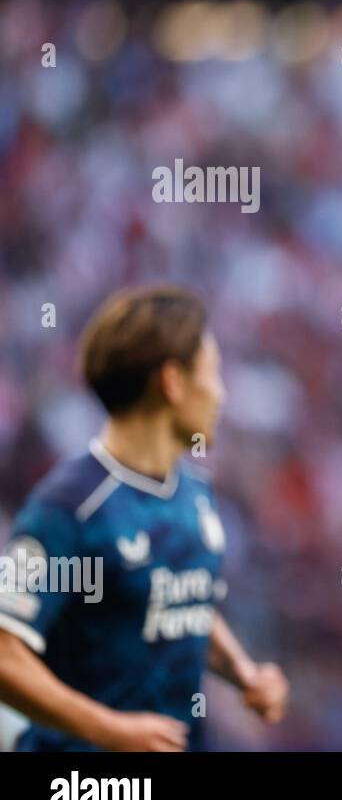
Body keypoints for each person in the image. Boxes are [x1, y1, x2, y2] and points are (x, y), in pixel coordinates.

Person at [0, 284, 288, 750]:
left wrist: (244, 672)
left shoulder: (193, 493)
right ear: (172, 381)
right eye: (213, 375)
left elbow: (181, 601)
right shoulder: (72, 508)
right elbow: (3, 651)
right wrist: (106, 730)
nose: (221, 394)